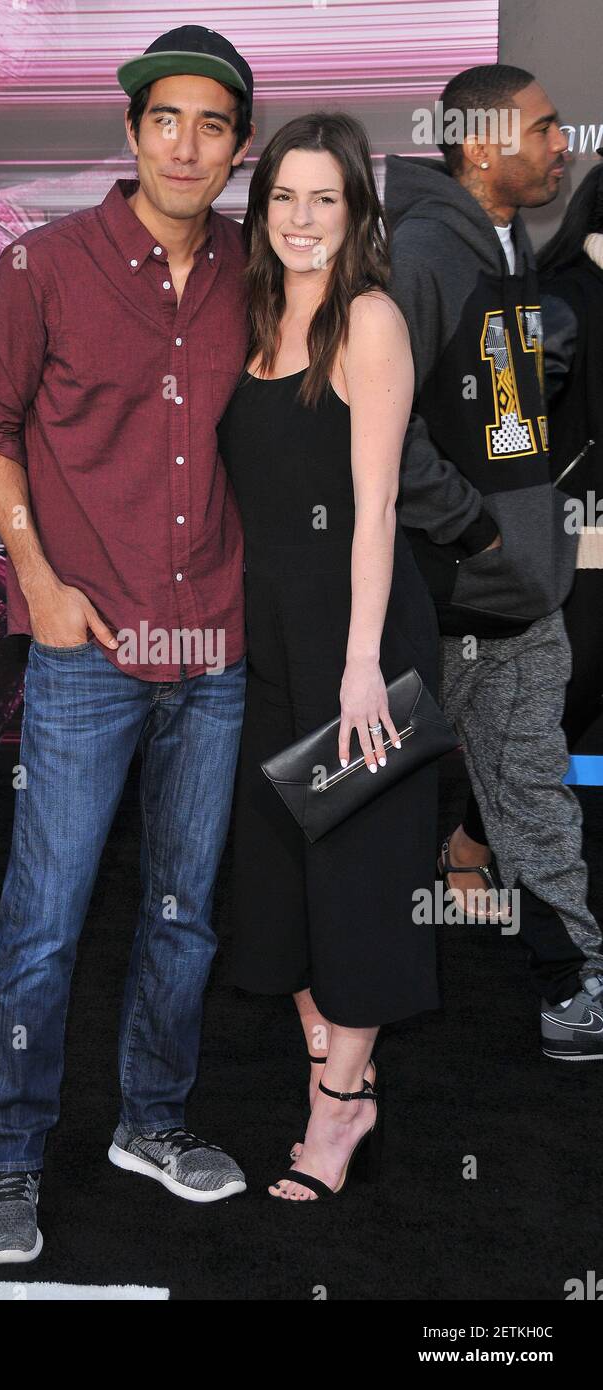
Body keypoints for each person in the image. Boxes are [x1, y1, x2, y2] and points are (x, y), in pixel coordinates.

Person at [0, 26, 256, 1264]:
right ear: (129, 131)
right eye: (166, 119)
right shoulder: (45, 266)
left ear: (237, 148)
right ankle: (11, 1163)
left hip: (217, 644)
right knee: (46, 918)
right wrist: (39, 580)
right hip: (85, 641)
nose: (187, 144)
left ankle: (150, 1119)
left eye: (213, 125)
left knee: (184, 914)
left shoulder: (258, 260)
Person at [218, 112, 440, 1202]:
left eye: (325, 199)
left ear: (356, 212)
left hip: (358, 638)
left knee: (352, 871)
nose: (302, 220)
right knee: (270, 873)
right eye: (284, 198)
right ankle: (334, 1053)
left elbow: (375, 509)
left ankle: (335, 1110)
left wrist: (358, 666)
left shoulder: (367, 320)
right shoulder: (249, 312)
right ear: (260, 211)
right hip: (267, 640)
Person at [384, 65, 603, 1061]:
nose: (563, 147)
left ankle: (571, 983)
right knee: (342, 794)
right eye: (544, 130)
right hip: (439, 588)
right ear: (480, 148)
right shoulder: (427, 252)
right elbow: (374, 426)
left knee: (527, 791)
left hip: (507, 591)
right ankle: (304, 973)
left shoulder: (500, 248)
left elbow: (495, 418)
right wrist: (469, 528)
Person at [538, 157, 603, 747]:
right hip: (582, 551)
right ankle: (471, 840)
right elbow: (513, 429)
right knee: (564, 705)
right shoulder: (565, 296)